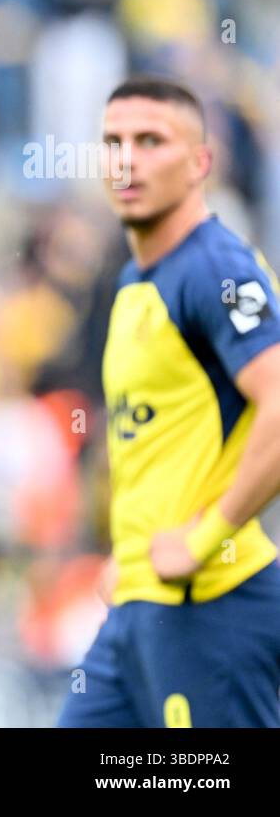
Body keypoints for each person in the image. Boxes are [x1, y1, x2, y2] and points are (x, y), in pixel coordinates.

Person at [58, 77, 280, 727]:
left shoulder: (219, 268)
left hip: (213, 603)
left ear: (200, 162)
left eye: (151, 141)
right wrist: (127, 555)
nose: (126, 158)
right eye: (114, 142)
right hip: (138, 602)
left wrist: (207, 535)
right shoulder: (132, 280)